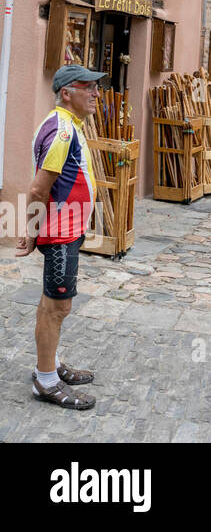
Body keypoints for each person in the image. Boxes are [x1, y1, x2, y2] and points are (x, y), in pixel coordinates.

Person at [18, 65, 105, 410]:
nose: (96, 93)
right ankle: (47, 382)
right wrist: (30, 232)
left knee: (48, 304)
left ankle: (49, 365)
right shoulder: (62, 131)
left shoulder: (64, 124)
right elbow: (39, 188)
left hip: (66, 229)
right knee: (58, 306)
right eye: (89, 87)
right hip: (60, 231)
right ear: (67, 93)